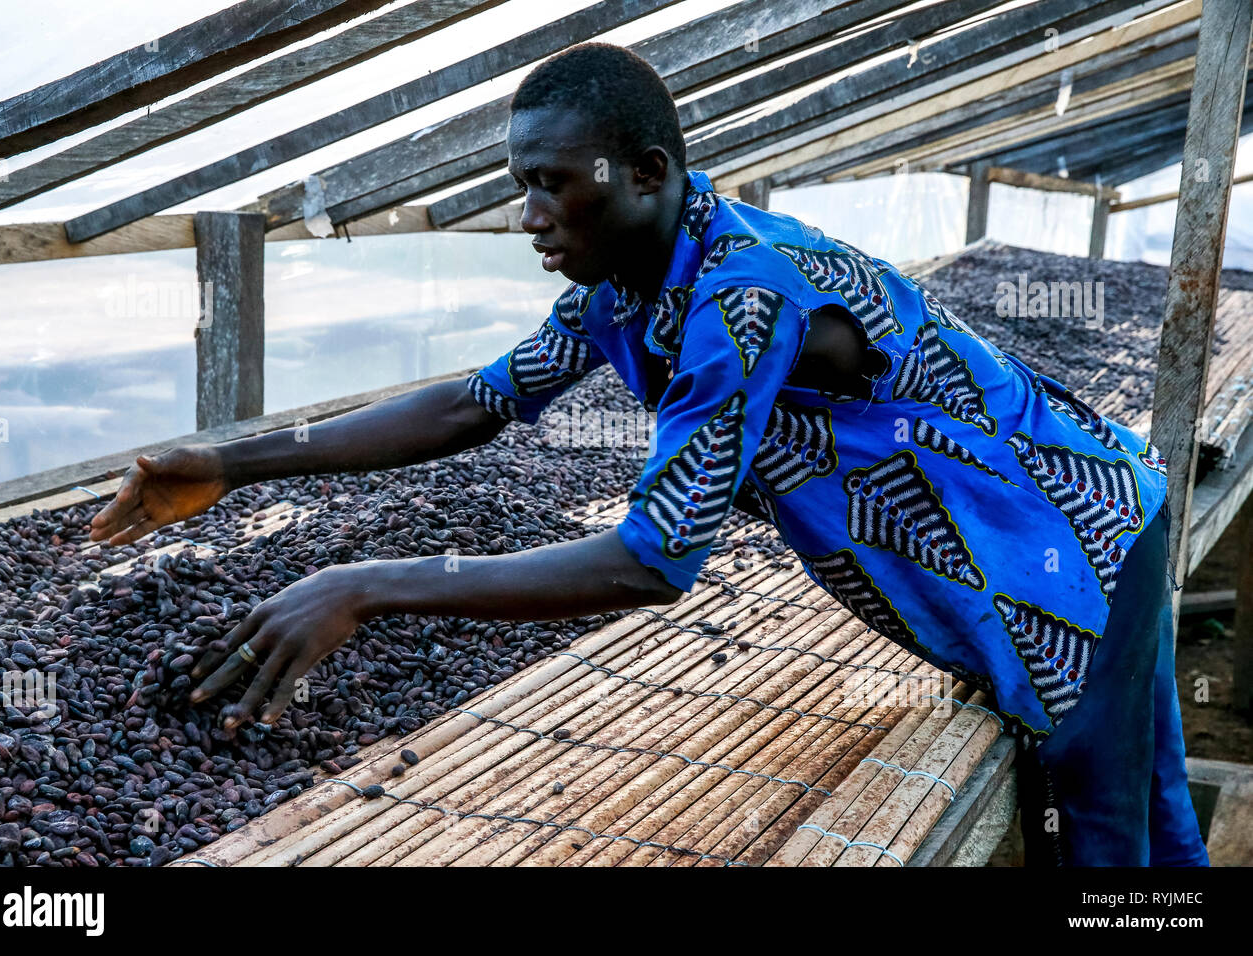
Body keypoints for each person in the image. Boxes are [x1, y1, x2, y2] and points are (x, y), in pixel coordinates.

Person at [88, 42, 1207, 866]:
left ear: (650, 170)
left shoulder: (739, 291)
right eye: (519, 182)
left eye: (553, 180)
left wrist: (367, 584)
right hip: (1039, 535)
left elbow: (653, 557)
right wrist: (232, 462)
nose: (530, 211)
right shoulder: (628, 286)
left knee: (1096, 827)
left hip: (1075, 542)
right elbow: (475, 406)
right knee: (1140, 800)